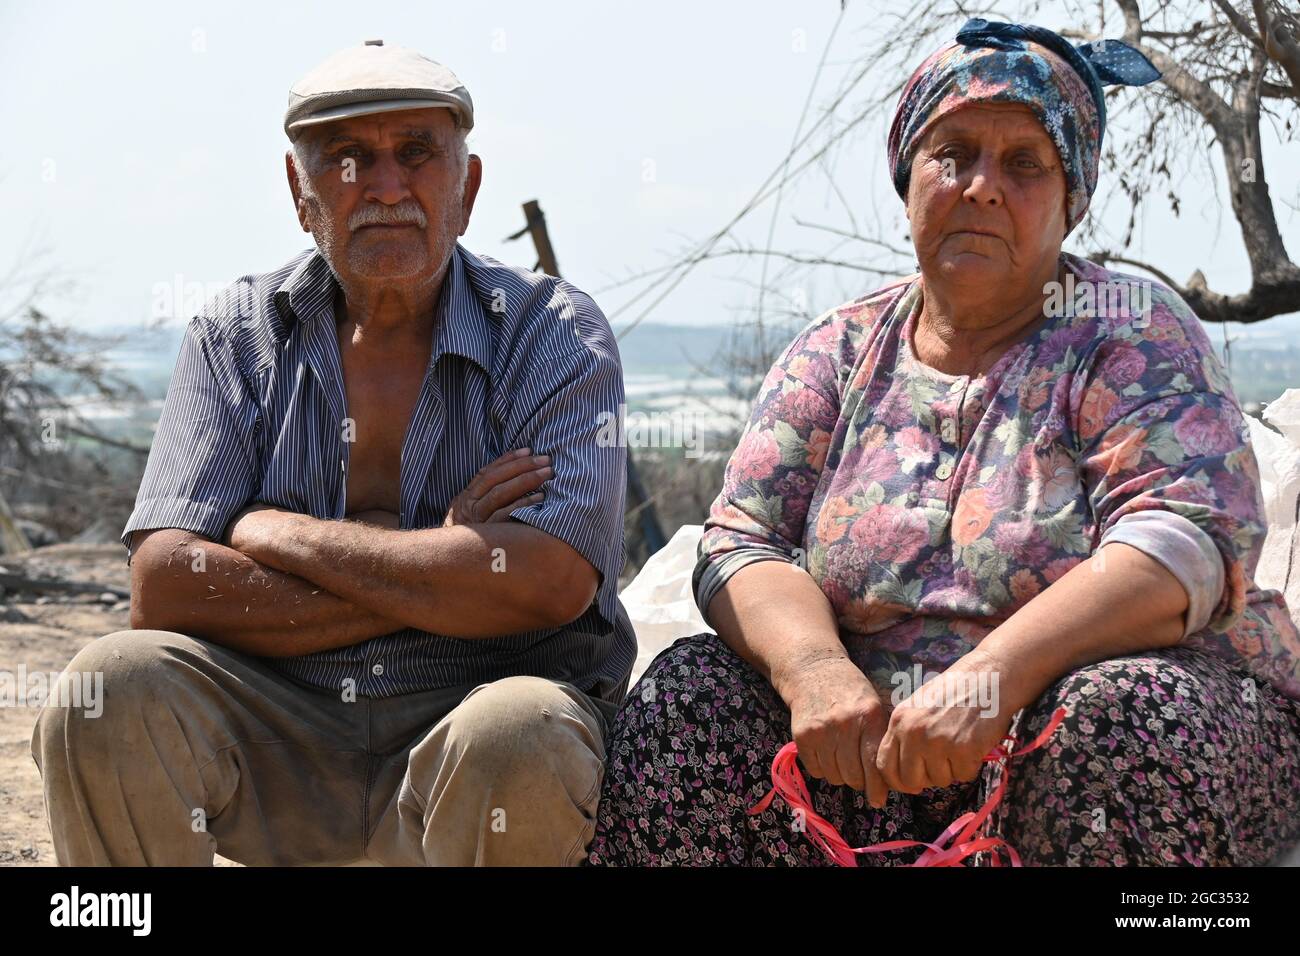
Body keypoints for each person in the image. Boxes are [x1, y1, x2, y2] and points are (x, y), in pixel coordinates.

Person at [587, 18, 1300, 866]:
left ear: (1072, 198)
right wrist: (815, 670)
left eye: (1024, 163)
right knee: (690, 701)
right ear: (908, 179)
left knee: (1119, 718)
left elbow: (1183, 544)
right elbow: (744, 539)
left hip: (1095, 725)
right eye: (953, 154)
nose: (982, 187)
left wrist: (993, 677)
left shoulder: (1126, 331)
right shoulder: (842, 348)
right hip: (875, 756)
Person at [32, 39, 633, 866]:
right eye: (347, 158)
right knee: (109, 689)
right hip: (278, 725)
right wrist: (449, 555)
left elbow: (547, 583)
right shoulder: (236, 334)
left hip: (472, 722)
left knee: (521, 730)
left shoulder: (549, 332)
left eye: (417, 153)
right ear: (298, 189)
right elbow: (166, 588)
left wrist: (287, 536)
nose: (384, 187)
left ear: (469, 186)